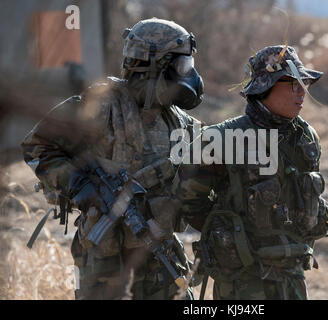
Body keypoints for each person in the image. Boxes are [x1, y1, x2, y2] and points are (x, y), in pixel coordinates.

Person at [21, 18, 204, 300]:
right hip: (104, 256)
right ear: (154, 64)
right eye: (182, 66)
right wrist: (79, 184)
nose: (188, 75)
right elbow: (37, 146)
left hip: (158, 249)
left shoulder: (183, 124)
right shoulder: (98, 107)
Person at [176, 45, 328, 300]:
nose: (302, 92)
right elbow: (188, 201)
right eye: (293, 84)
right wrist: (230, 233)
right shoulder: (220, 139)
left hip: (292, 276)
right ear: (265, 87)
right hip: (241, 282)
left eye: (304, 83)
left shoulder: (306, 137)